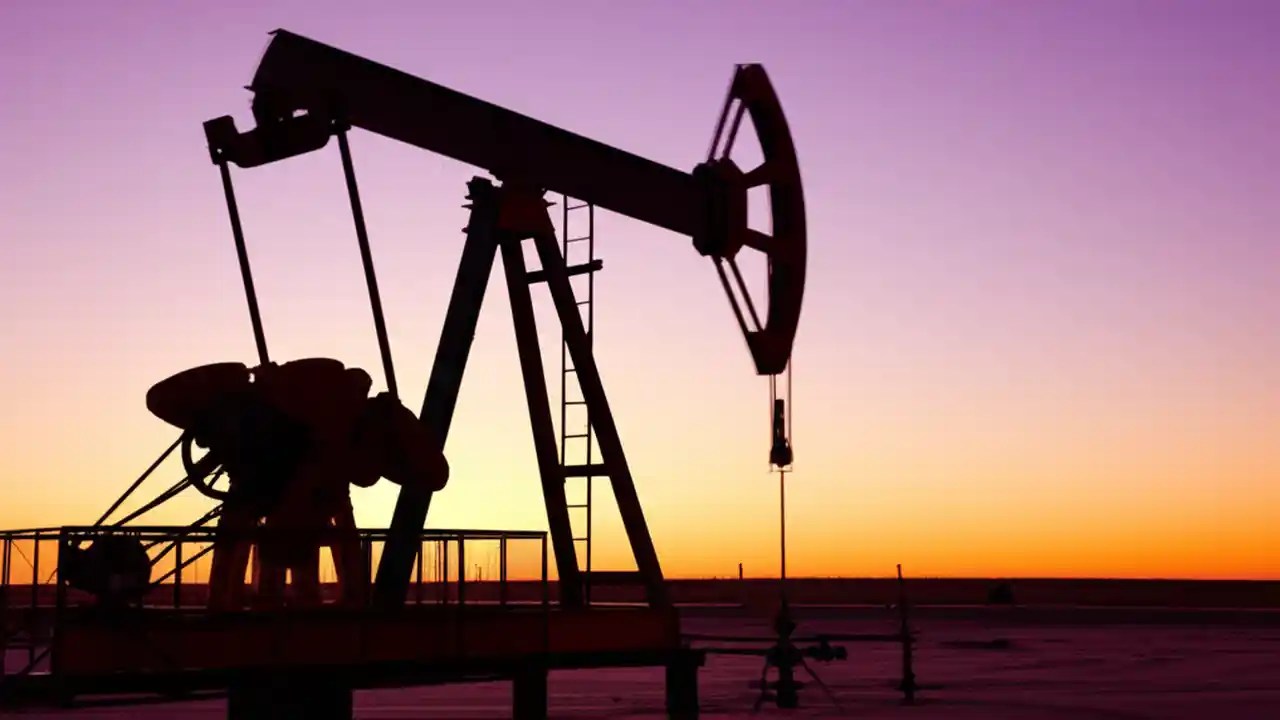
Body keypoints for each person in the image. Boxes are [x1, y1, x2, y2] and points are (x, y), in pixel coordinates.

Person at [146, 357, 449, 610]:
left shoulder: (320, 443)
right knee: (313, 510)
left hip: (293, 477)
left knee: (288, 511)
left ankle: (242, 598)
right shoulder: (327, 442)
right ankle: (311, 597)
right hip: (301, 476)